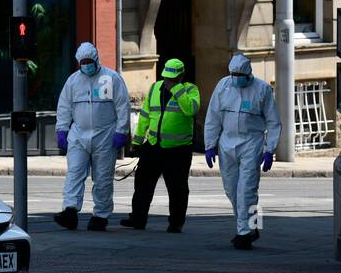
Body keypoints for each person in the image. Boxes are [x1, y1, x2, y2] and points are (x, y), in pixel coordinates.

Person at [203, 53, 282, 249]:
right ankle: (252, 226)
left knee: (247, 189)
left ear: (248, 73)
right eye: (234, 74)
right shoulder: (223, 86)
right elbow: (213, 117)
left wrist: (269, 149)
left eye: (240, 74)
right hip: (227, 142)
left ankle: (244, 233)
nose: (236, 78)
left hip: (251, 142)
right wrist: (210, 144)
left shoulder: (262, 89)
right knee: (231, 189)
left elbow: (273, 121)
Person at [54, 42, 131, 231]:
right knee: (74, 173)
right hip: (79, 135)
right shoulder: (73, 81)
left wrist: (122, 131)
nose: (86, 65)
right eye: (83, 62)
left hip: (105, 135)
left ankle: (100, 216)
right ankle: (70, 211)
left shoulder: (112, 78)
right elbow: (64, 107)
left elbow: (123, 106)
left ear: (96, 60)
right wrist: (62, 129)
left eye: (89, 61)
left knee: (103, 178)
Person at [121, 58, 200, 233]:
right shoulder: (155, 88)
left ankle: (176, 223)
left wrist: (177, 89)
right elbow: (145, 116)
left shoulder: (190, 90)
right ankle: (138, 218)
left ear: (181, 76)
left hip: (178, 149)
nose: (167, 82)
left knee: (177, 188)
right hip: (154, 146)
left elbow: (191, 110)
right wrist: (137, 141)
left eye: (172, 79)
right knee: (142, 184)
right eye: (166, 78)